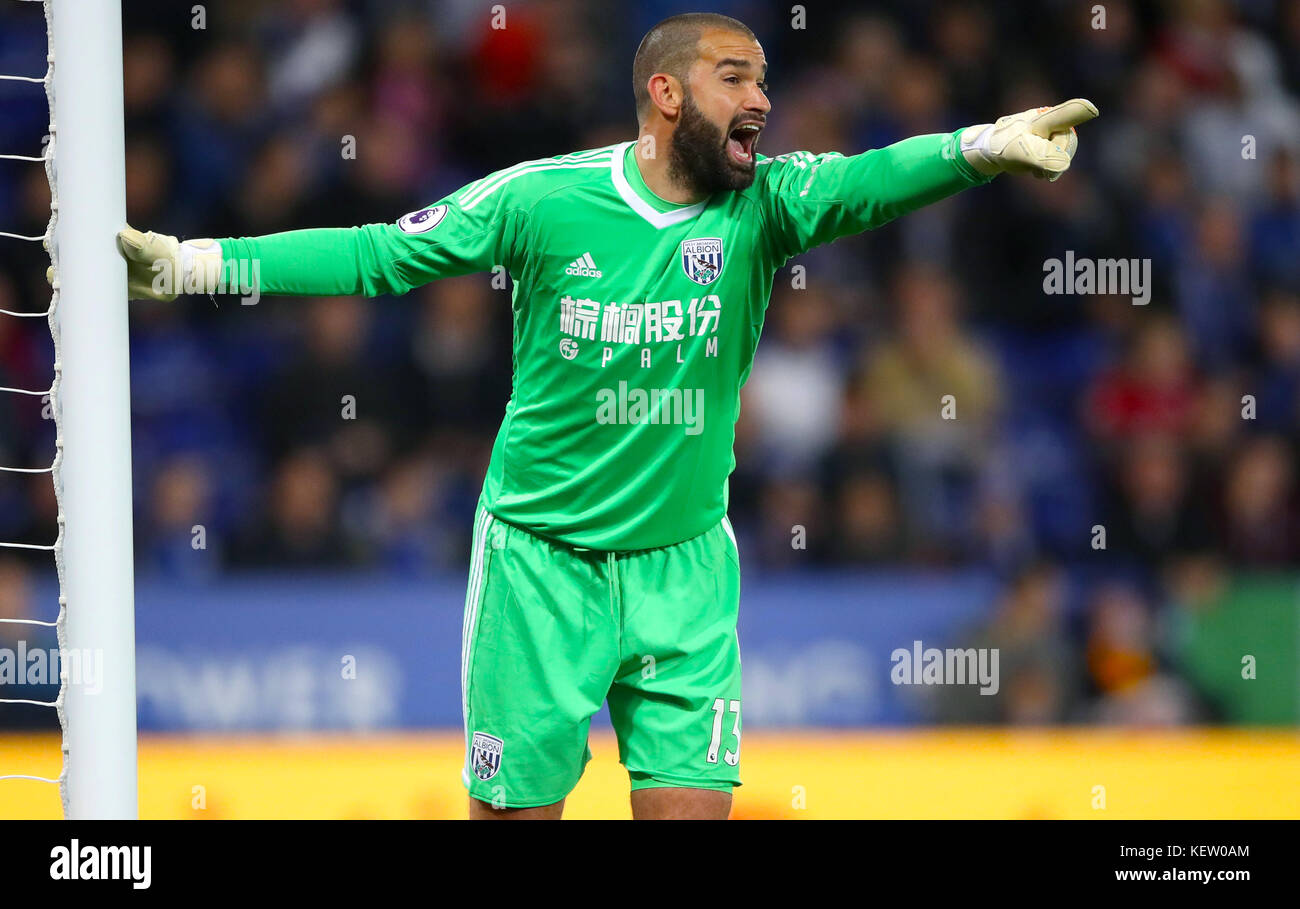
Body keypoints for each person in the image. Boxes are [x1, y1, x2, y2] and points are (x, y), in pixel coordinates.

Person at [112, 12, 1097, 819]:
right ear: (666, 95)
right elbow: (379, 253)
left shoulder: (769, 205)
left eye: (762, 80)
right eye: (732, 79)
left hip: (683, 568)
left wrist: (982, 147)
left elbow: (873, 178)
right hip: (541, 565)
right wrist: (201, 264)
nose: (760, 99)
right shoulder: (545, 201)